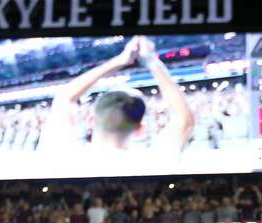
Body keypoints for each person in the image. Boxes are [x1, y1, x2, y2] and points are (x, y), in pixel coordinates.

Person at [39, 36, 194, 174]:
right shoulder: (151, 166)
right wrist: (152, 62)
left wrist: (120, 60)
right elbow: (183, 120)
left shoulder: (61, 157)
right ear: (140, 130)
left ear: (90, 120)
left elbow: (64, 97)